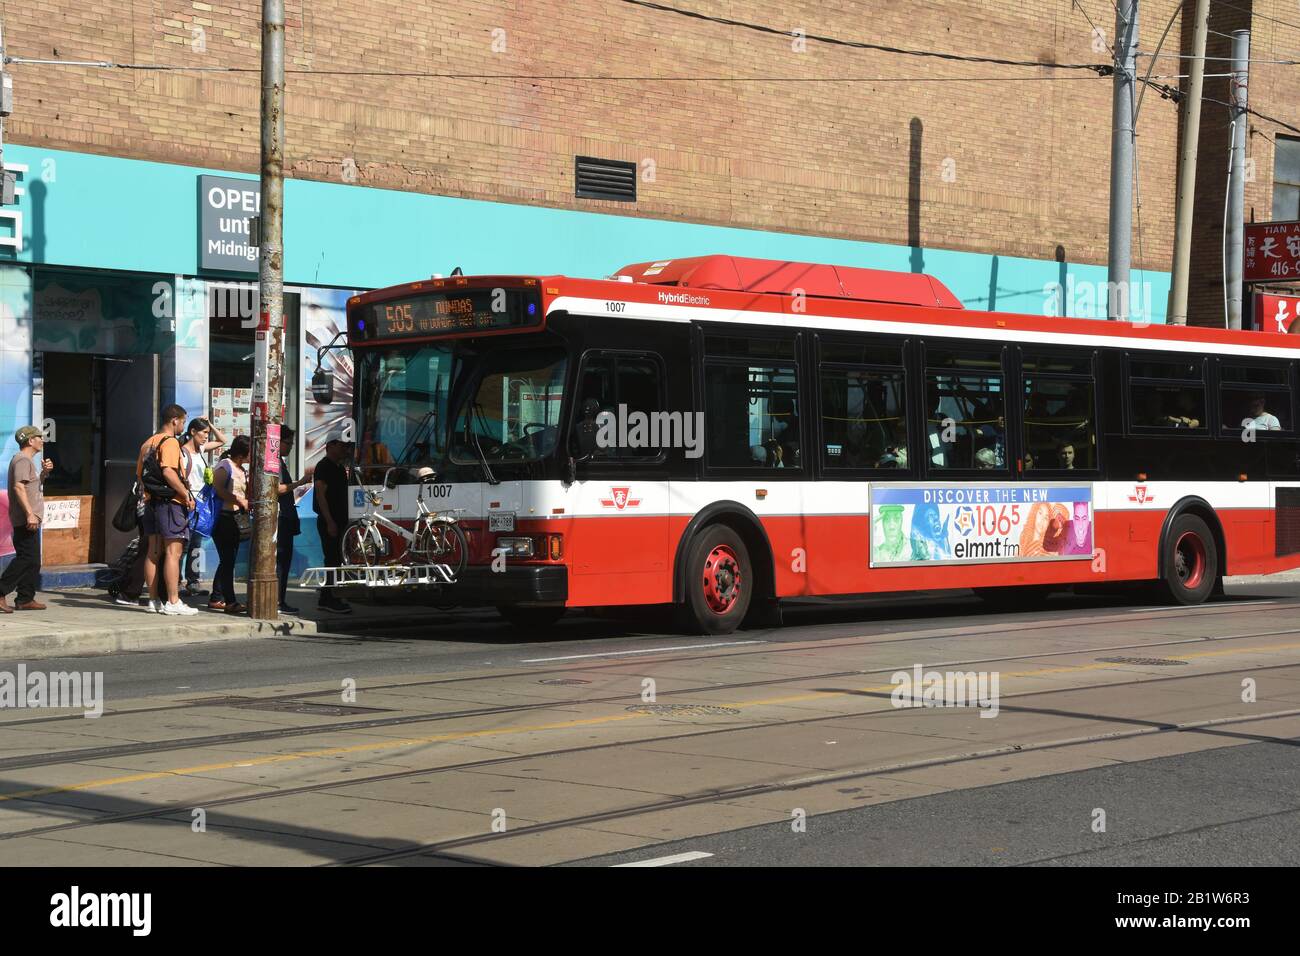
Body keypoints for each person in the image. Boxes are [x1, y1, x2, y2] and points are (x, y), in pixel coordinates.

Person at [137, 405, 198, 616]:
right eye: (182, 421)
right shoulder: (170, 442)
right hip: (170, 503)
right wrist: (186, 495)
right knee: (174, 552)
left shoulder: (148, 443)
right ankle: (173, 601)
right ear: (174, 420)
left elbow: (140, 476)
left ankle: (153, 600)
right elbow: (169, 473)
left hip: (150, 503)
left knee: (153, 552)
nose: (183, 425)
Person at [0, 425, 51, 613]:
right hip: (25, 518)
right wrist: (29, 513)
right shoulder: (22, 460)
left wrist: (44, 474)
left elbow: (31, 487)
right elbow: (18, 488)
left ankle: (25, 598)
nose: (42, 440)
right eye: (39, 437)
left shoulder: (27, 461)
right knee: (25, 558)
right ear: (30, 440)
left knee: (33, 561)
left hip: (30, 518)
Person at [180, 417, 226, 598]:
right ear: (192, 432)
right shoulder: (183, 453)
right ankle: (175, 582)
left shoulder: (200, 449)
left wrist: (210, 424)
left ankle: (193, 582)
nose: (206, 436)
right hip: (188, 502)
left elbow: (223, 440)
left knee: (196, 545)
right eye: (203, 432)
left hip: (202, 504)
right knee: (183, 545)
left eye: (208, 433)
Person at [210, 436, 251, 614]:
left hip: (236, 519)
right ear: (242, 453)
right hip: (224, 518)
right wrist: (238, 500)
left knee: (228, 561)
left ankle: (216, 597)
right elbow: (218, 489)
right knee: (227, 561)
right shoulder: (225, 465)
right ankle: (230, 601)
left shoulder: (242, 469)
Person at [313, 437, 354, 614]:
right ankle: (329, 598)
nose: (345, 449)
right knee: (332, 559)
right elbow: (321, 496)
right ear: (330, 446)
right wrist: (329, 521)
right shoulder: (323, 467)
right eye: (342, 446)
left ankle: (329, 595)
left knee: (338, 558)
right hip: (330, 521)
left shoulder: (339, 468)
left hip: (342, 520)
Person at [276, 426, 310, 614]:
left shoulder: (280, 462)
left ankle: (280, 599)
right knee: (281, 561)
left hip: (287, 517)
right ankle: (278, 601)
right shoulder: (274, 464)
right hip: (281, 519)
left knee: (284, 561)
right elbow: (277, 489)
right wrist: (300, 482)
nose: (290, 447)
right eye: (288, 443)